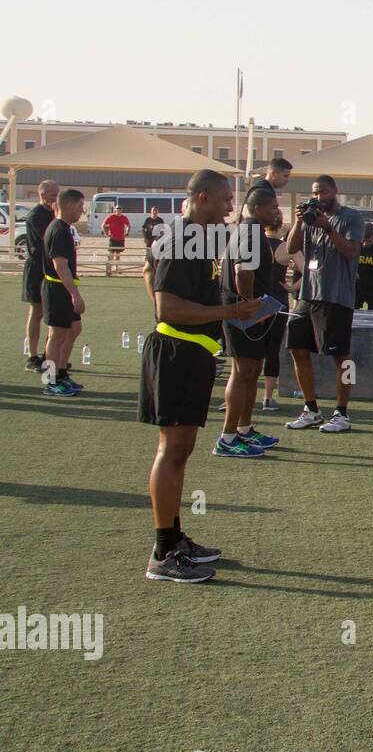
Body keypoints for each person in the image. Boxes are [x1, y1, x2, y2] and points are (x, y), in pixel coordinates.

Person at [138, 170, 264, 582]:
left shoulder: (198, 238)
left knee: (182, 449)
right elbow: (167, 308)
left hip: (192, 352)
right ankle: (162, 552)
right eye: (227, 199)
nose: (232, 206)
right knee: (172, 449)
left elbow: (146, 270)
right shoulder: (180, 240)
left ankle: (174, 539)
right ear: (204, 197)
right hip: (176, 351)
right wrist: (230, 312)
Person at [283, 175, 364, 433]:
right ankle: (311, 408)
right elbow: (290, 247)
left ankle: (342, 412)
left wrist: (327, 227)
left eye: (324, 193)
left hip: (336, 296)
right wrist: (299, 221)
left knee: (342, 356)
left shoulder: (351, 217)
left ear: (335, 192)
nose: (319, 198)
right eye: (315, 193)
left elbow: (351, 252)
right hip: (308, 294)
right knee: (296, 347)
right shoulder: (309, 218)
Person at [214, 186, 288, 458]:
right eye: (272, 207)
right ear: (258, 210)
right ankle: (228, 436)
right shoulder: (250, 234)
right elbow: (242, 273)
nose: (276, 212)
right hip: (241, 311)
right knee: (242, 371)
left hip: (243, 310)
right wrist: (251, 307)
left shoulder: (250, 232)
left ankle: (243, 429)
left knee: (252, 370)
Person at [40, 189, 88, 397]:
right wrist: (74, 294)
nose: (82, 211)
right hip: (56, 288)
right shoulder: (58, 230)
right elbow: (60, 267)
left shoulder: (65, 229)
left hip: (64, 287)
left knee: (74, 328)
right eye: (80, 206)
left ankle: (60, 373)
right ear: (68, 206)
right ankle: (50, 381)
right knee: (57, 334)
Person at [21, 179, 58, 372]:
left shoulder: (55, 214)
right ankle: (32, 357)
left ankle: (49, 354)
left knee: (51, 313)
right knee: (36, 312)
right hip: (37, 269)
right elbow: (47, 241)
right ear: (43, 195)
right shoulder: (36, 215)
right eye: (53, 195)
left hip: (51, 269)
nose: (56, 198)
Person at [260, 211, 292, 411]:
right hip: (278, 303)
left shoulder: (255, 244)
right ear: (281, 226)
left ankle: (240, 393)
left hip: (256, 302)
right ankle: (267, 398)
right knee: (273, 351)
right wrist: (293, 287)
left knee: (250, 352)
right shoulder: (285, 247)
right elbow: (308, 269)